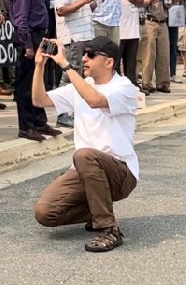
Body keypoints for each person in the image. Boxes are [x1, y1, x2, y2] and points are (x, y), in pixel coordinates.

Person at [31, 37, 139, 253]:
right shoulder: (80, 87)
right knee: (45, 212)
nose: (84, 58)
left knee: (84, 155)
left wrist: (65, 65)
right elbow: (39, 100)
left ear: (109, 62)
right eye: (84, 53)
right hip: (86, 169)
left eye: (91, 54)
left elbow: (95, 100)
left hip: (120, 173)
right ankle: (98, 209)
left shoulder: (125, 88)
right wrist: (39, 66)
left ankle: (108, 228)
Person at [11, 0, 61, 142]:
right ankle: (27, 125)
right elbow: (20, 18)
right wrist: (28, 45)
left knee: (38, 80)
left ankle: (39, 120)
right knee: (26, 83)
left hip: (39, 35)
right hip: (29, 38)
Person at [53, 0, 96, 127]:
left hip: (84, 35)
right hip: (72, 37)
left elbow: (79, 8)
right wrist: (84, 0)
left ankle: (74, 112)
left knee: (79, 75)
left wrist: (92, 3)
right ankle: (62, 114)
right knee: (70, 74)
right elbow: (61, 10)